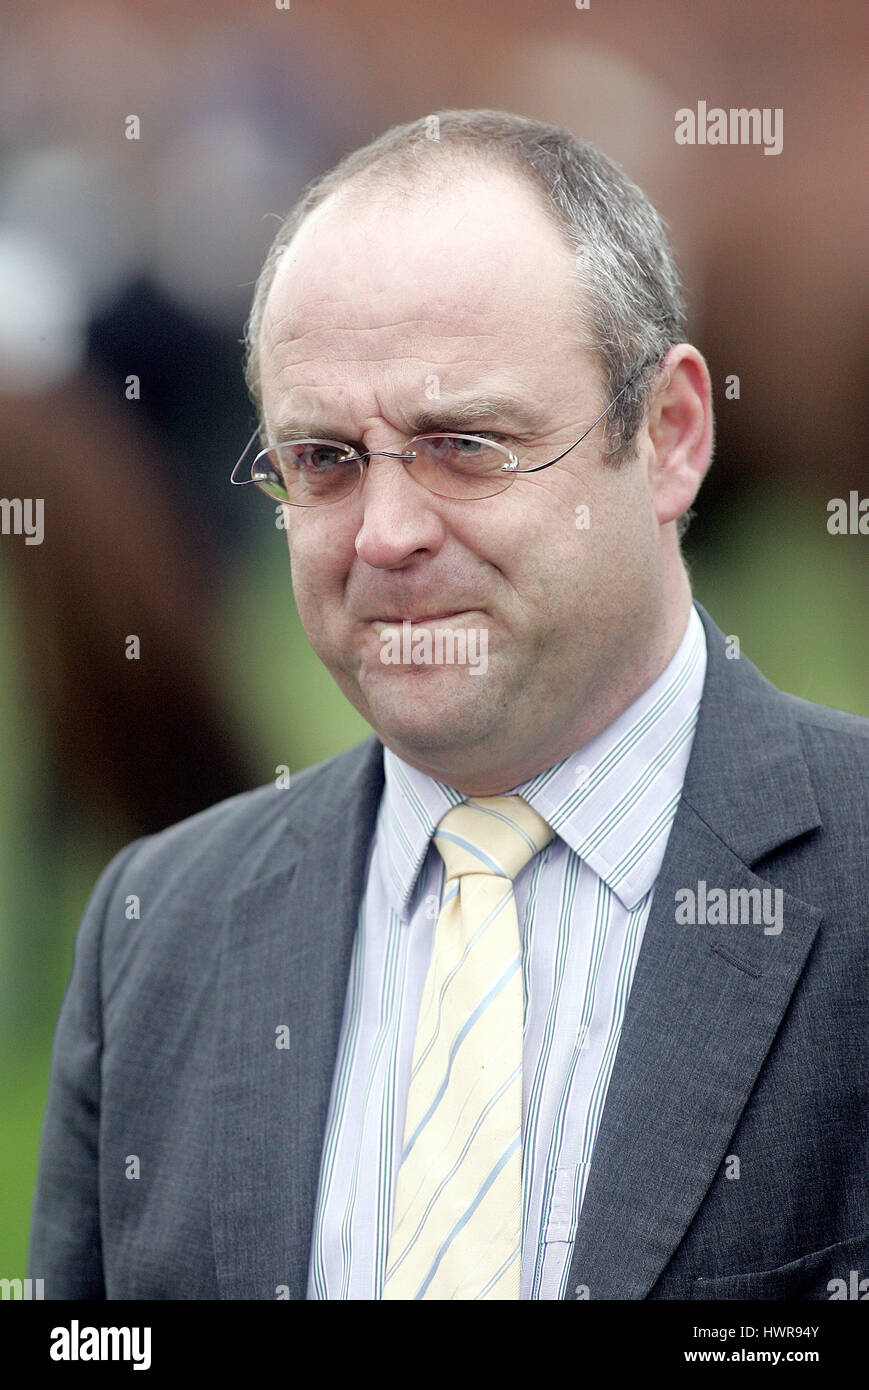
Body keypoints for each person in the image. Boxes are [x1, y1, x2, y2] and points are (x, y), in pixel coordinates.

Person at [29, 109, 868, 1300]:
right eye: (321, 459)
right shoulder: (156, 929)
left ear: (669, 437)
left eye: (464, 443)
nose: (384, 534)